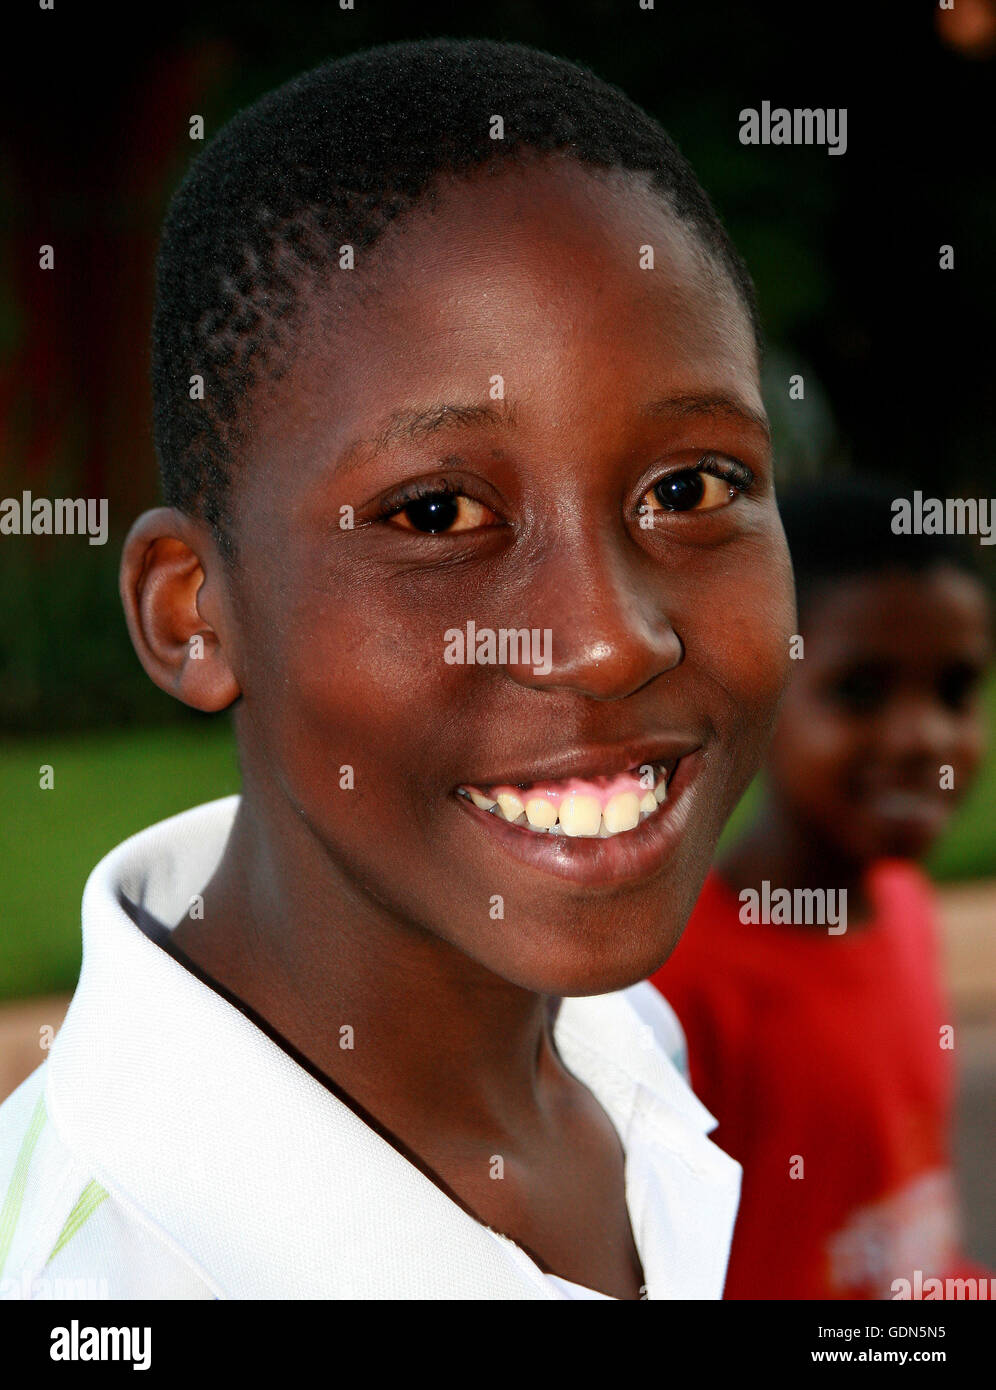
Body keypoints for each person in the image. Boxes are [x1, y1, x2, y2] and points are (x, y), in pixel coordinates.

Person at [0, 38, 794, 1300]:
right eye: (435, 516)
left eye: (688, 488)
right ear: (194, 615)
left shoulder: (620, 1051)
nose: (607, 638)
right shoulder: (99, 1280)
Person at [652, 477, 992, 1300]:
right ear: (756, 689)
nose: (923, 737)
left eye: (954, 690)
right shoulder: (677, 988)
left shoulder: (902, 908)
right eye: (861, 691)